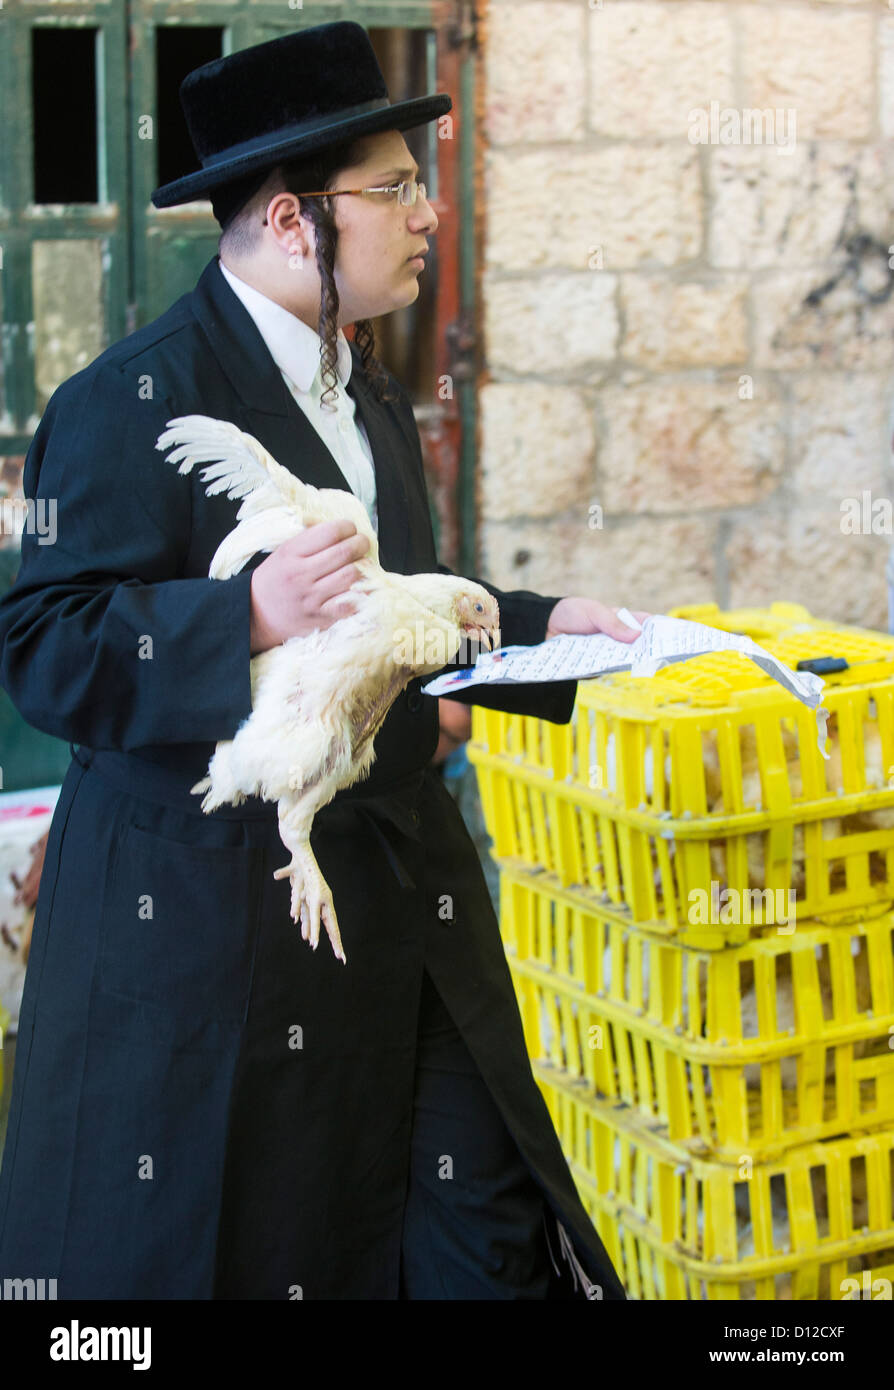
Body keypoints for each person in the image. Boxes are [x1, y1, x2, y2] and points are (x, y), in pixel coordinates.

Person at [0, 21, 645, 1300]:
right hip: (213, 934)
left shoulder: (371, 395)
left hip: (398, 900)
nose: (427, 214)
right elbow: (40, 645)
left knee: (485, 1243)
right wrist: (239, 615)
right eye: (397, 187)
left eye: (421, 182)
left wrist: (535, 621)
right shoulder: (128, 401)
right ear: (296, 222)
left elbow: (387, 606)